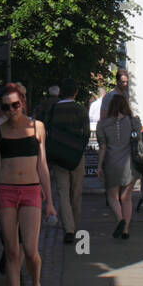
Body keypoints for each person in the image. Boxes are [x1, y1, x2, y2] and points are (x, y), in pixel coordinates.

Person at [0, 82, 55, 286]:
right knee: (12, 252)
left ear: (23, 103)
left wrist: (50, 202)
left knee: (31, 251)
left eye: (15, 105)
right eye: (6, 107)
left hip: (31, 191)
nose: (11, 110)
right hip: (5, 192)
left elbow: (43, 165)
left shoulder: (37, 127)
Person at [42, 78, 90, 243]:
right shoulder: (80, 109)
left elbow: (47, 130)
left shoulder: (54, 108)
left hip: (59, 155)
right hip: (76, 156)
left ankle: (68, 229)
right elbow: (86, 133)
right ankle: (74, 227)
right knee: (76, 193)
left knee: (63, 193)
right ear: (76, 92)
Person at [97, 93, 142, 240]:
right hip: (130, 164)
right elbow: (140, 142)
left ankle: (120, 218)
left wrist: (99, 166)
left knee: (112, 196)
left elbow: (102, 146)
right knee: (126, 198)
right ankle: (126, 230)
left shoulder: (102, 125)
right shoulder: (134, 122)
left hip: (111, 162)